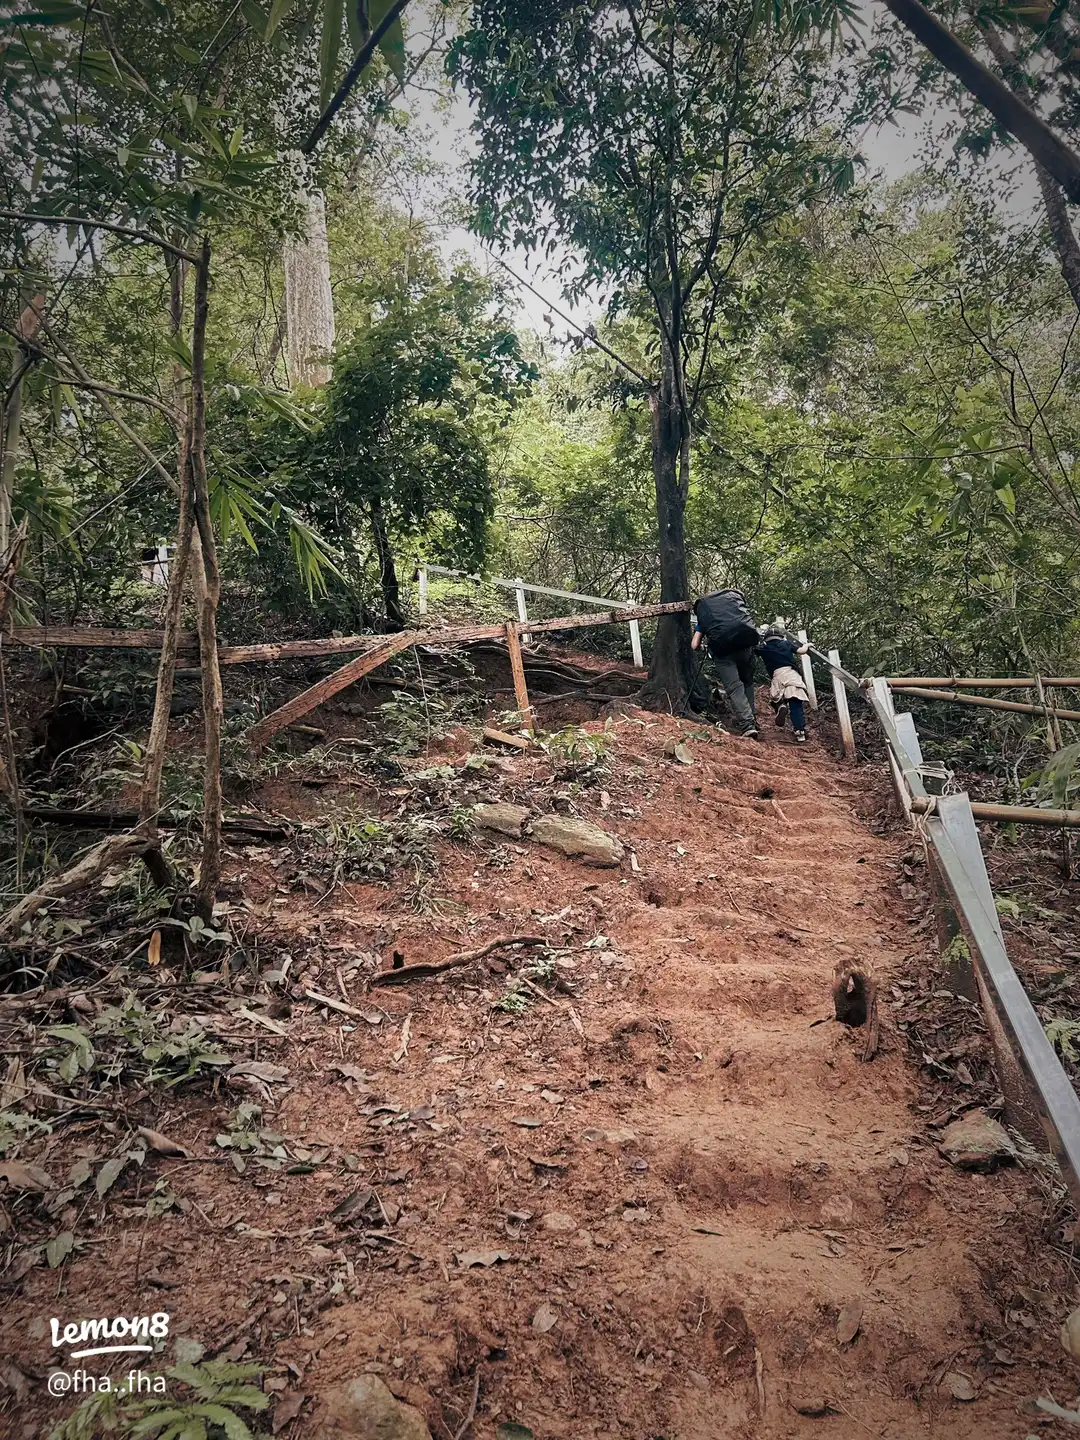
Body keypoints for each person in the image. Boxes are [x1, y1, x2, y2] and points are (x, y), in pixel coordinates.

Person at [691, 588, 760, 738]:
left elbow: (694, 644)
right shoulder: (735, 611)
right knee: (747, 683)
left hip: (722, 654)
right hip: (745, 648)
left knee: (735, 687)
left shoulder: (706, 618)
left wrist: (704, 646)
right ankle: (753, 719)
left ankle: (748, 724)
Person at [757, 625, 811, 743]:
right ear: (781, 637)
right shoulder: (786, 644)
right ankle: (799, 731)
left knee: (776, 698)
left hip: (777, 676)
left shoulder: (764, 648)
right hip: (792, 675)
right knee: (796, 702)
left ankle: (780, 706)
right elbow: (802, 651)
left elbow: (751, 651)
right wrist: (807, 645)